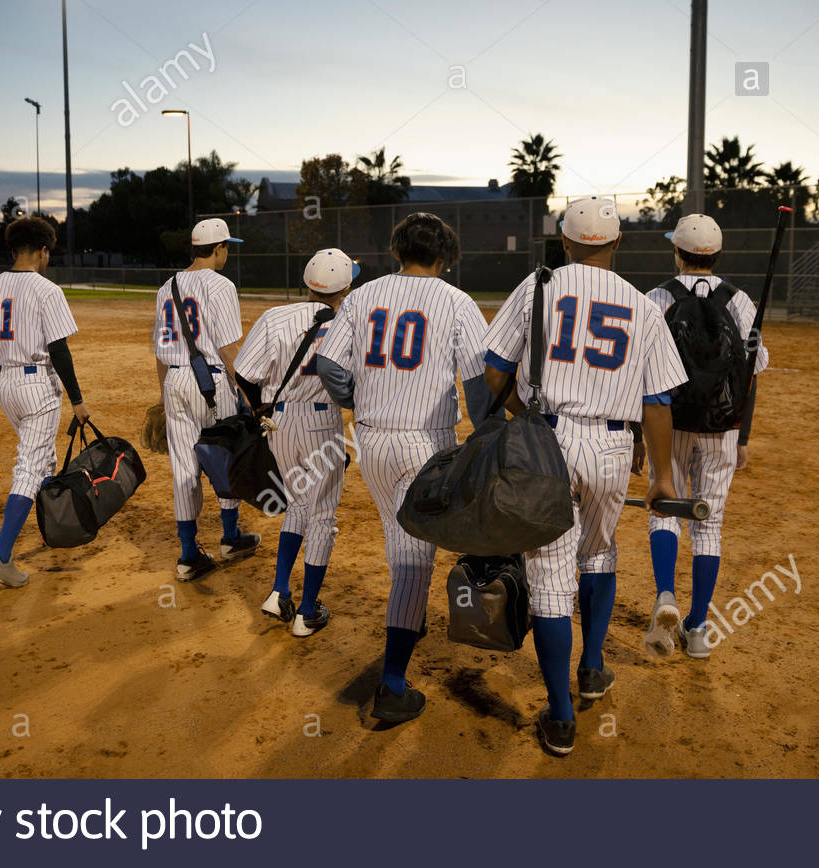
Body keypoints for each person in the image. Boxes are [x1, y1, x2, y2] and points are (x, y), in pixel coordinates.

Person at [483, 196, 685, 757]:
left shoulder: (539, 284)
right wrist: (663, 476)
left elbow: (495, 367)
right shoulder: (644, 307)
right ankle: (592, 668)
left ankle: (561, 714)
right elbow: (659, 400)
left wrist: (525, 421)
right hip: (614, 445)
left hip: (546, 438)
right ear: (617, 243)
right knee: (598, 552)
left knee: (549, 575)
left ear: (565, 242)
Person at [315, 213, 492, 724]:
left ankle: (407, 619)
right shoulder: (456, 302)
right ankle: (392, 685)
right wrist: (485, 433)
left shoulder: (363, 296)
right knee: (416, 560)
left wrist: (357, 399)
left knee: (400, 538)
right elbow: (479, 382)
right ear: (445, 256)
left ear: (398, 251)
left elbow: (329, 365)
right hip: (425, 443)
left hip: (369, 439)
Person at [637, 214, 769, 661]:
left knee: (664, 510)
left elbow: (640, 373)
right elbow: (751, 374)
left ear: (677, 252)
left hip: (667, 422)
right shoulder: (741, 300)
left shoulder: (657, 297)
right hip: (722, 426)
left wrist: (640, 435)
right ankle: (697, 629)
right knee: (708, 526)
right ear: (716, 255)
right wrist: (743, 436)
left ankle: (665, 597)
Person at [0, 217, 91, 588]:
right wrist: (78, 400)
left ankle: (51, 528)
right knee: (29, 467)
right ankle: (1, 558)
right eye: (48, 253)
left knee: (44, 461)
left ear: (13, 250)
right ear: (42, 251)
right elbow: (58, 350)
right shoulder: (47, 290)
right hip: (38, 385)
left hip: (5, 385)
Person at [233, 248, 359, 637]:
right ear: (347, 286)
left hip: (279, 421)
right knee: (321, 517)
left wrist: (259, 412)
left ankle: (279, 591)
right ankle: (306, 612)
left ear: (307, 283)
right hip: (322, 421)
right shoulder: (350, 321)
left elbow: (245, 374)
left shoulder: (275, 316)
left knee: (297, 503)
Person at [153, 218, 261, 583]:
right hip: (211, 382)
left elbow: (158, 352)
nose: (227, 253)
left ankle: (188, 555)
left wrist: (163, 396)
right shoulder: (221, 285)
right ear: (217, 249)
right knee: (228, 458)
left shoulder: (167, 286)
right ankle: (230, 537)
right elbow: (229, 349)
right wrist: (252, 396)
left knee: (185, 468)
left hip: (174, 380)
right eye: (226, 247)